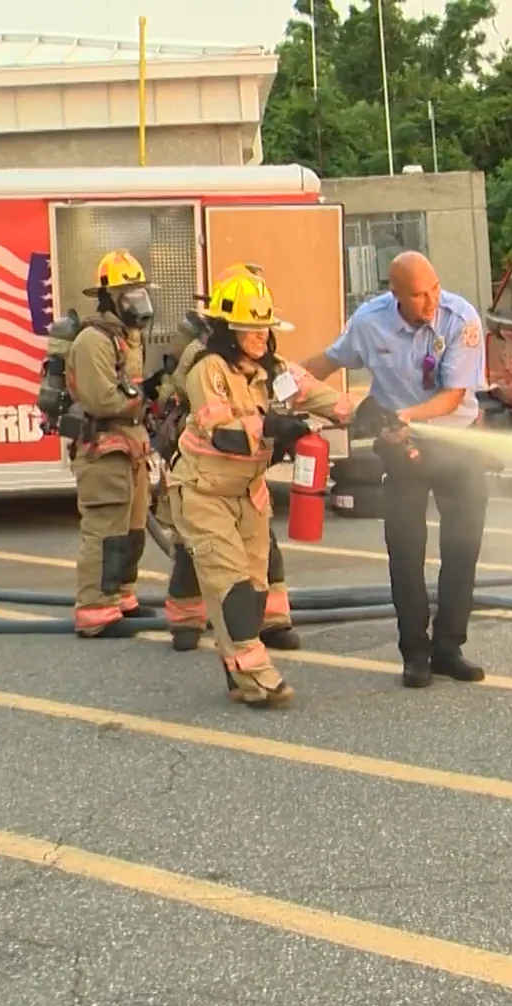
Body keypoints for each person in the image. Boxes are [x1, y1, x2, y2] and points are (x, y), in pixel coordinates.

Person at [167, 271, 369, 708]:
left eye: (264, 328)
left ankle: (236, 670)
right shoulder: (209, 371)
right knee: (233, 586)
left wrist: (371, 412)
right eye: (250, 329)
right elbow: (221, 431)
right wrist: (274, 426)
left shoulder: (270, 370)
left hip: (248, 493)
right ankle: (258, 678)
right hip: (204, 493)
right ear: (227, 330)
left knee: (256, 590)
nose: (261, 337)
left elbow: (321, 397)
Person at [300, 250, 490, 689]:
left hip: (455, 443)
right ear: (395, 293)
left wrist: (407, 416)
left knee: (463, 548)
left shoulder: (460, 319)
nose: (431, 302)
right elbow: (328, 363)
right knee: (406, 550)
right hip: (399, 448)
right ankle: (414, 654)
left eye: (435, 289)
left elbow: (452, 396)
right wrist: (283, 379)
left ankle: (449, 647)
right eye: (420, 295)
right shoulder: (370, 321)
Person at [153, 263, 304, 654]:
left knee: (261, 543)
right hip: (201, 460)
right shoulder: (201, 356)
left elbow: (284, 386)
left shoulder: (257, 353)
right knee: (193, 547)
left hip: (243, 465)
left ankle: (270, 619)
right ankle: (186, 619)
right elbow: (191, 404)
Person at [66, 249, 156, 638]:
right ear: (108, 298)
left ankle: (121, 596)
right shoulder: (92, 341)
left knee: (132, 528)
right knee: (105, 530)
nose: (137, 301)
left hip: (129, 445)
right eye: (128, 294)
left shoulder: (127, 338)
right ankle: (94, 611)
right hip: (102, 446)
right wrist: (141, 397)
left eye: (140, 293)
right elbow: (102, 399)